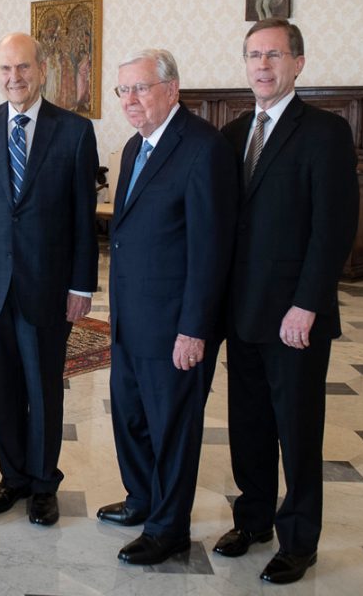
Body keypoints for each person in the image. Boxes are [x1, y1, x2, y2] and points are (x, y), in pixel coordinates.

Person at [213, 18, 358, 584]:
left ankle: (299, 539)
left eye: (274, 55)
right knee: (247, 424)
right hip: (242, 311)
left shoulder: (325, 132)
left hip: (296, 317)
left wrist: (308, 305)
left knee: (297, 429)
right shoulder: (230, 135)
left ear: (298, 63)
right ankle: (253, 520)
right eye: (253, 55)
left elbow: (333, 230)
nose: (263, 66)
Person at [96, 50, 237, 564]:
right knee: (131, 417)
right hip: (130, 318)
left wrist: (194, 329)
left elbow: (211, 249)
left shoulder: (204, 149)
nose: (130, 101)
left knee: (173, 427)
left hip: (175, 325)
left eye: (140, 89)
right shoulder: (134, 147)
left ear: (171, 89)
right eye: (123, 91)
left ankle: (169, 527)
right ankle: (142, 499)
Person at [0, 32, 98, 527]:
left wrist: (81, 286)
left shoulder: (75, 131)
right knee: (3, 386)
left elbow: (84, 217)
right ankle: (13, 476)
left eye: (22, 68)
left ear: (41, 69)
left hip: (49, 284)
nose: (13, 78)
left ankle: (43, 483)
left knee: (43, 387)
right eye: (4, 69)